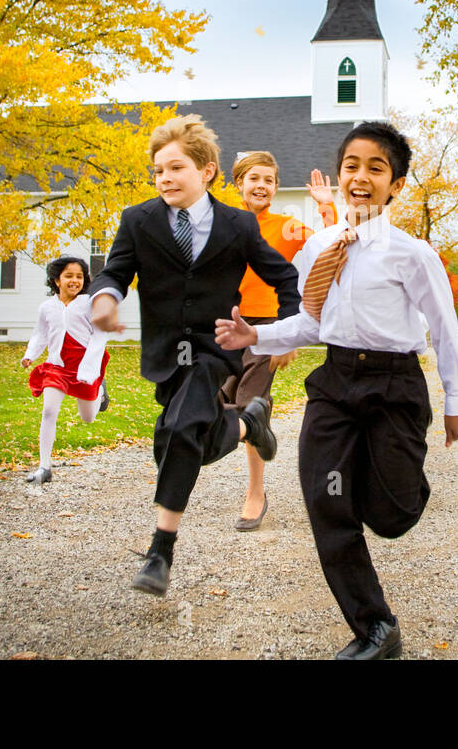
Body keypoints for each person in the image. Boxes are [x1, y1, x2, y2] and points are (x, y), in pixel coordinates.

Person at [215, 120, 458, 661]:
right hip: (334, 384)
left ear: (396, 184)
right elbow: (309, 323)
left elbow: (443, 329)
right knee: (326, 503)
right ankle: (375, 627)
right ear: (338, 176)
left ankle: (399, 489)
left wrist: (457, 403)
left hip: (394, 385)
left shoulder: (412, 254)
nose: (361, 176)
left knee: (392, 515)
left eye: (376, 168)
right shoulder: (319, 248)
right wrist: (256, 334)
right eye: (351, 166)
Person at [88, 114, 300, 597]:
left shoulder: (237, 224)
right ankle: (249, 423)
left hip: (214, 348)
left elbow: (285, 280)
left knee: (184, 429)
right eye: (158, 170)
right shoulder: (137, 220)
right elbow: (115, 273)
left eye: (175, 167)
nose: (164, 178)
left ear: (206, 171)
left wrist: (283, 334)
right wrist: (104, 300)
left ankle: (160, 550)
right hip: (166, 355)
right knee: (172, 441)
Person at [221, 152, 337, 531]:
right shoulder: (221, 224)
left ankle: (255, 493)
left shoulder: (286, 227)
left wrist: (327, 209)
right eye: (254, 178)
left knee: (249, 404)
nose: (262, 186)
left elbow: (331, 249)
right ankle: (257, 430)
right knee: (217, 406)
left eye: (269, 180)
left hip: (267, 327)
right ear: (239, 182)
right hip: (224, 327)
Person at [20, 256, 114, 484]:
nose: (74, 280)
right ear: (56, 280)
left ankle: (100, 393)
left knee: (88, 417)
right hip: (57, 367)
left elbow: (100, 335)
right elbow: (41, 334)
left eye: (79, 276)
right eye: (68, 276)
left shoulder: (90, 303)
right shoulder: (47, 307)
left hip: (85, 366)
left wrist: (90, 367)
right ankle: (44, 467)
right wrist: (30, 354)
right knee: (49, 411)